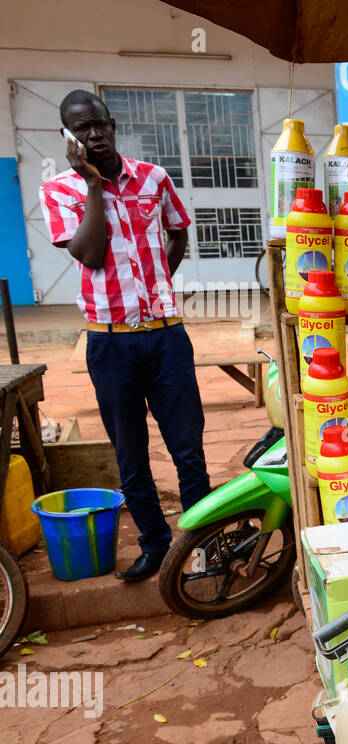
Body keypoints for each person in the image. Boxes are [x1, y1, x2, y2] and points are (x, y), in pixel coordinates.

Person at [40, 90, 211, 581]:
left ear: (112, 124)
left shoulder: (154, 178)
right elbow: (89, 254)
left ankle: (201, 548)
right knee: (130, 453)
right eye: (80, 128)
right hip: (110, 341)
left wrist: (161, 279)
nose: (92, 135)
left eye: (99, 124)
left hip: (165, 336)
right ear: (68, 136)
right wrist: (94, 186)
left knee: (188, 449)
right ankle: (157, 544)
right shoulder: (58, 191)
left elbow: (179, 230)